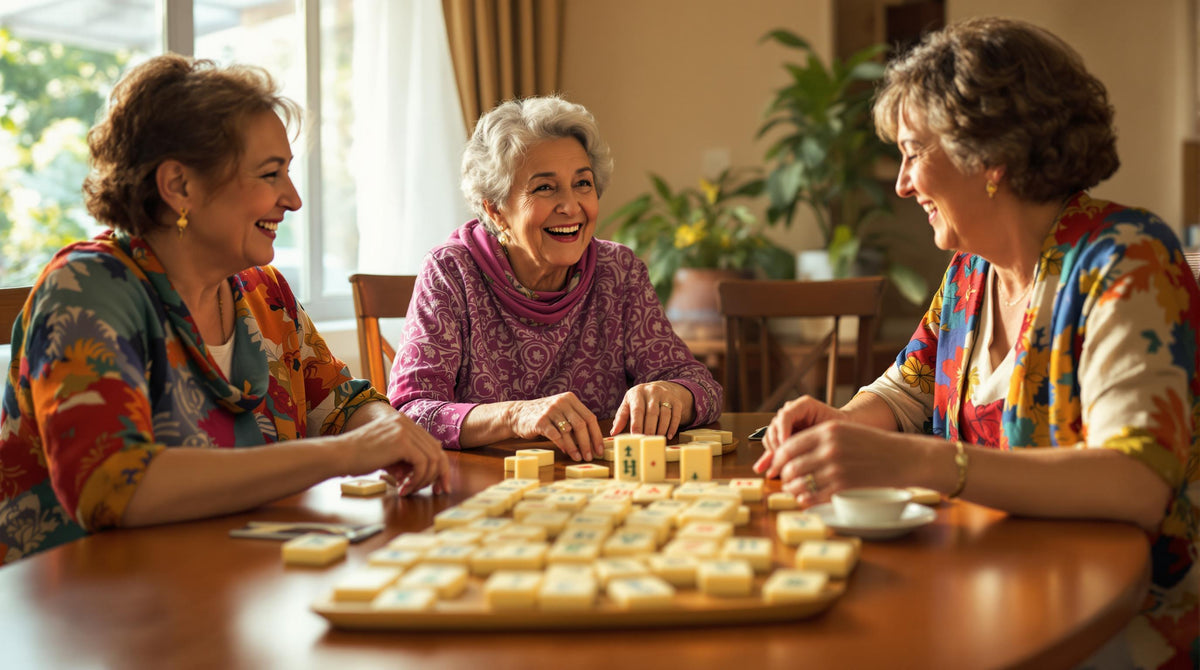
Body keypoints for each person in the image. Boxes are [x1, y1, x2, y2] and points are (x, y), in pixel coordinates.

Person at [754, 17, 1197, 668]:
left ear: (987, 156)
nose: (902, 183)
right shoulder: (971, 273)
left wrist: (922, 463)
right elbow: (905, 388)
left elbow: (1135, 484)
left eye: (912, 152)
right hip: (999, 586)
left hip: (1121, 613)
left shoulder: (1125, 260)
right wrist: (840, 428)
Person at [0, 54, 451, 565]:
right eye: (270, 173)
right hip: (84, 611)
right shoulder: (87, 288)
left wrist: (385, 430)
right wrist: (348, 454)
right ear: (179, 186)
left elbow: (341, 404)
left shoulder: (265, 293)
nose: (294, 199)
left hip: (223, 584)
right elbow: (109, 485)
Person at [388, 95, 723, 461]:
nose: (571, 206)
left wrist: (675, 393)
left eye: (582, 184)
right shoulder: (452, 272)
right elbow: (410, 413)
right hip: (485, 493)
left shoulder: (619, 271)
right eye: (545, 188)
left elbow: (703, 387)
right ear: (495, 209)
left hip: (600, 490)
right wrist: (516, 415)